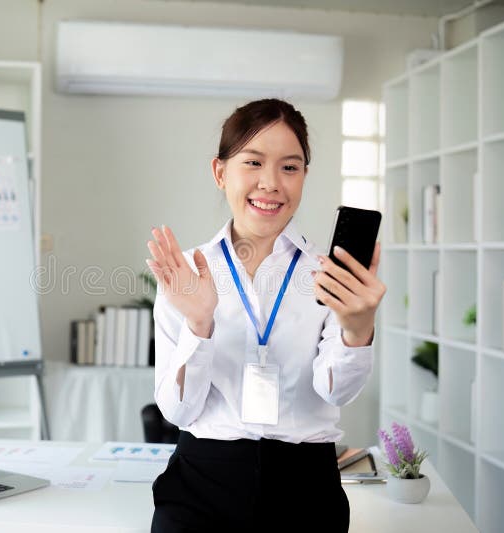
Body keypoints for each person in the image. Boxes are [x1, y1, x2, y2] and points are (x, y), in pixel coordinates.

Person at [145, 98, 386, 532]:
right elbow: (177, 412)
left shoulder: (325, 274)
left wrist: (357, 329)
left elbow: (335, 393)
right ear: (220, 172)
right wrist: (200, 325)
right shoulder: (185, 273)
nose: (271, 183)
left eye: (290, 167)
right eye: (253, 162)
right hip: (202, 483)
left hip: (306, 488)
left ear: (304, 177)